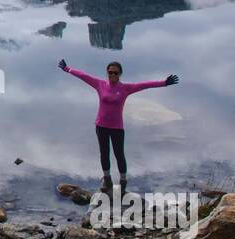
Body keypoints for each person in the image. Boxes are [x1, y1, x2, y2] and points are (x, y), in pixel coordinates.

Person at [57, 59, 178, 193]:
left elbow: (144, 85)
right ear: (107, 73)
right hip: (101, 126)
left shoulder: (125, 88)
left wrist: (164, 83)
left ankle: (123, 181)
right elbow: (83, 76)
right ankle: (107, 179)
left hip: (117, 128)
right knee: (104, 153)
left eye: (116, 73)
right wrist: (67, 69)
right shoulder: (100, 84)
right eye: (110, 73)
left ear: (120, 74)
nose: (113, 75)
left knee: (119, 154)